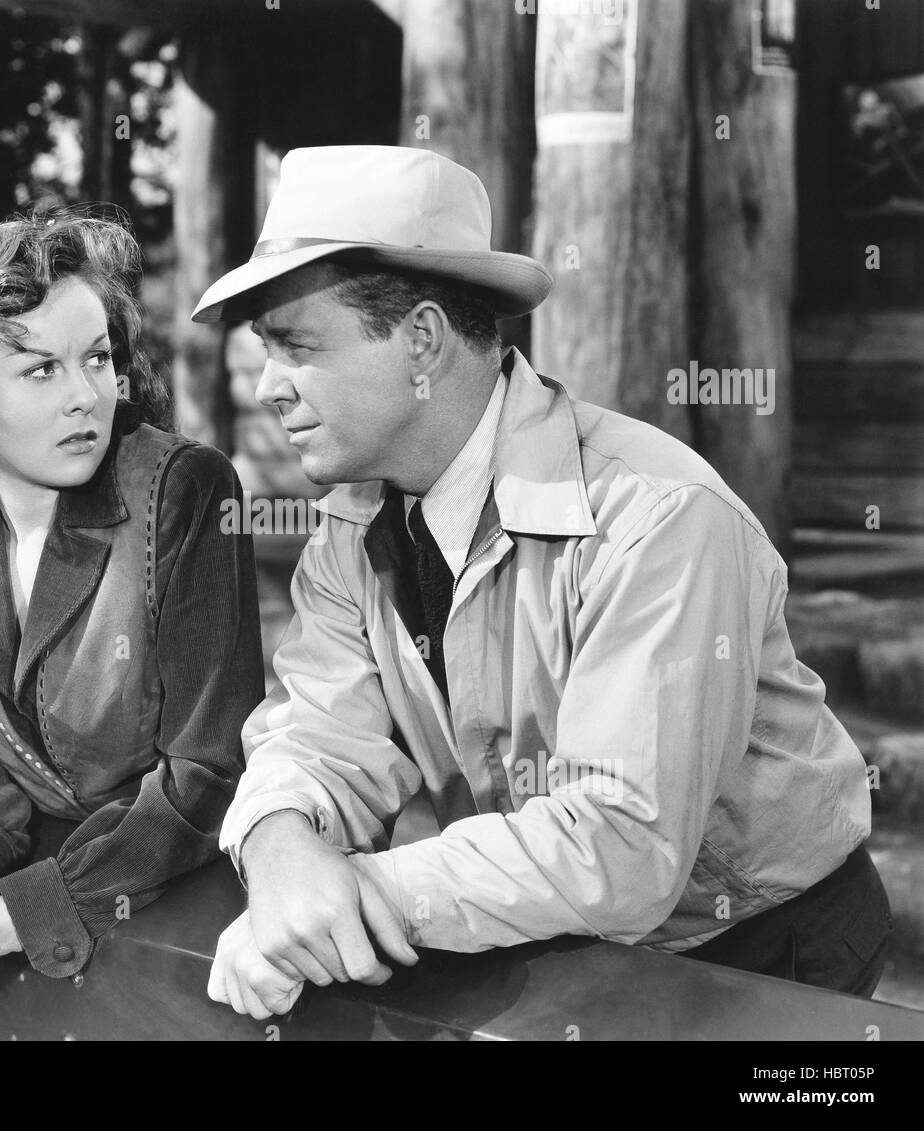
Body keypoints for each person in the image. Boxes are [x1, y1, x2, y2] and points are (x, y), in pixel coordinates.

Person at [197, 145, 890, 1020]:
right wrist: (280, 847)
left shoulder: (656, 516)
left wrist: (355, 894)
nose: (267, 387)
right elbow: (320, 734)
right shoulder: (351, 524)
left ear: (421, 339)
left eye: (296, 346)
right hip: (565, 930)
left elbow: (622, 842)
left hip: (762, 943)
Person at [0, 209, 265, 990]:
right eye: (40, 369)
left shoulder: (184, 489)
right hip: (22, 872)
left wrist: (11, 918)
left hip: (177, 889)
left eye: (98, 359)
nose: (87, 397)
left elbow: (210, 772)